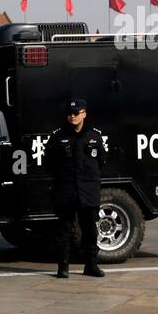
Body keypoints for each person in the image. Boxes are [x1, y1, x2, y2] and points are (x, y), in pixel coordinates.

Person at [44, 98, 107, 279]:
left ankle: (91, 265)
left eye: (76, 113)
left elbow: (101, 161)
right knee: (64, 230)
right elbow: (49, 163)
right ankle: (63, 267)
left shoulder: (94, 136)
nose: (72, 116)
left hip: (87, 191)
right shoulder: (58, 137)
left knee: (90, 230)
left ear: (84, 114)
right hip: (66, 191)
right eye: (70, 113)